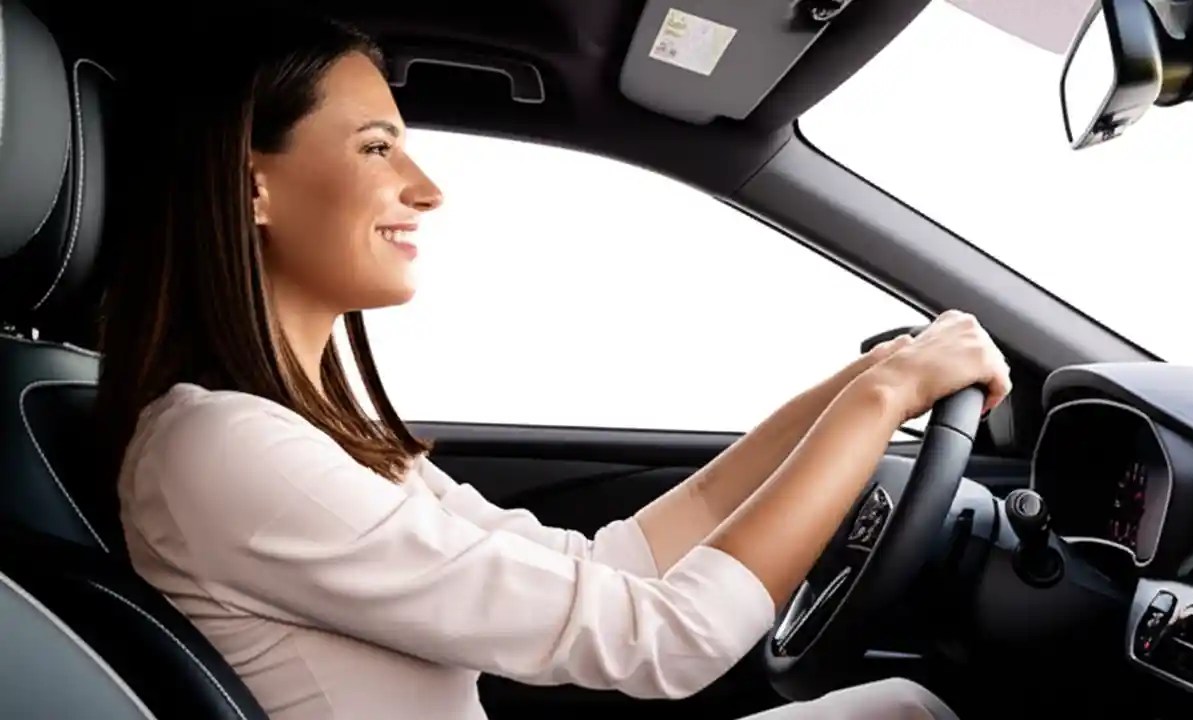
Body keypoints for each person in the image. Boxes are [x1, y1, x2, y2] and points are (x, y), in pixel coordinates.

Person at [94, 5, 1011, 719]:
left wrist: (851, 388)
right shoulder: (224, 447)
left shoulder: (302, 434)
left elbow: (615, 560)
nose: (427, 188)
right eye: (378, 147)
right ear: (254, 186)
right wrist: (885, 400)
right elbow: (668, 641)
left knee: (907, 708)